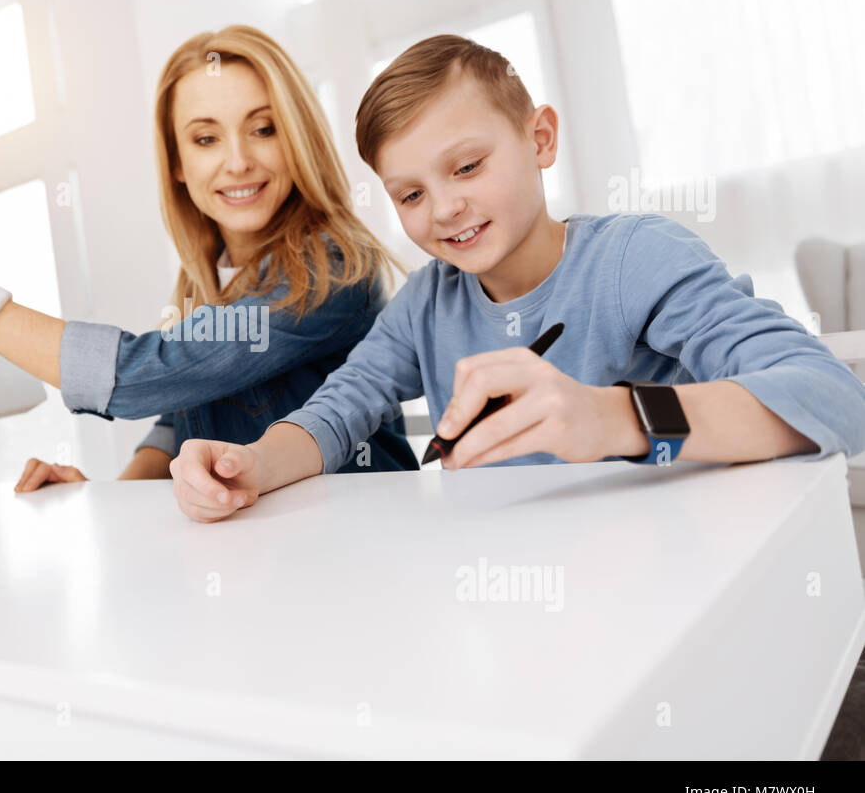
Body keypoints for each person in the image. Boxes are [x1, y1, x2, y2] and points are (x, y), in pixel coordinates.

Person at [168, 33, 865, 522]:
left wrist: (612, 416)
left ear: (540, 140)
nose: (444, 208)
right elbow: (336, 409)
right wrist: (252, 466)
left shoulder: (634, 260)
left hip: (670, 585)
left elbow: (833, 396)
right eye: (410, 194)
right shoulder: (424, 306)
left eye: (467, 167)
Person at [0, 25, 420, 487]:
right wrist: (108, 495)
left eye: (263, 129)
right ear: (179, 164)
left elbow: (144, 377)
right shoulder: (211, 277)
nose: (237, 160)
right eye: (206, 138)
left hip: (359, 558)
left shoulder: (333, 269)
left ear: (298, 138)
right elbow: (184, 415)